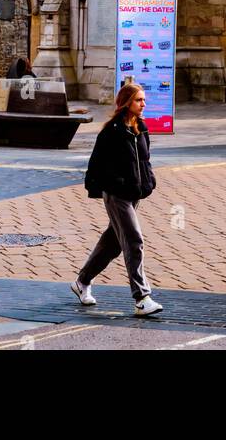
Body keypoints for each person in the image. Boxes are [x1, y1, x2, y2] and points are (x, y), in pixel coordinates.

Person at [71, 83, 162, 316]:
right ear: (126, 103)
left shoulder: (141, 127)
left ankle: (82, 282)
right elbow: (97, 165)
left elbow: (145, 160)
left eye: (143, 100)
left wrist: (148, 181)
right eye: (139, 100)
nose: (144, 104)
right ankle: (142, 298)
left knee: (112, 244)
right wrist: (114, 184)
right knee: (133, 239)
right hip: (116, 194)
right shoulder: (111, 131)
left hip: (134, 193)